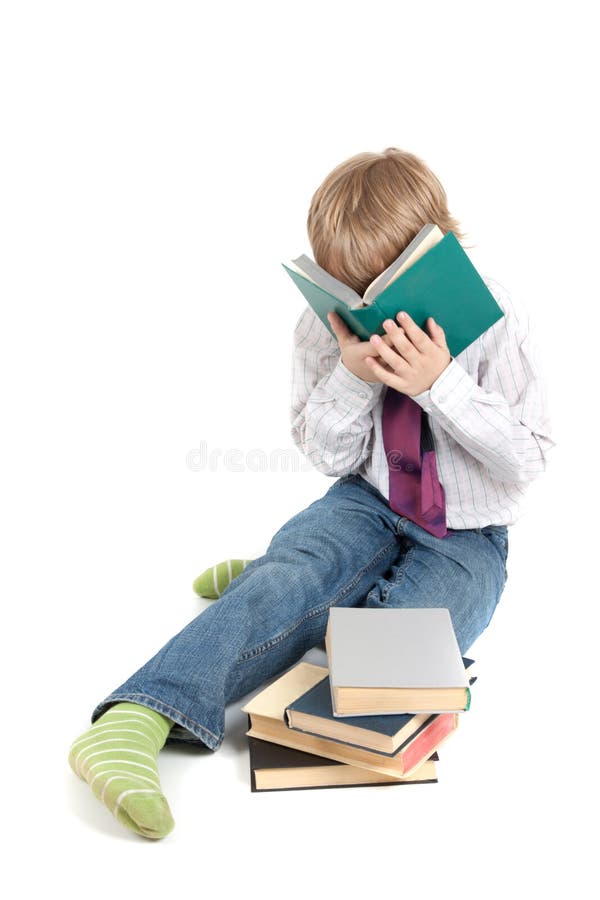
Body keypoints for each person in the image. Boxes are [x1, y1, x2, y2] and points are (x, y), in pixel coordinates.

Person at [68, 147, 555, 840]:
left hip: (468, 537)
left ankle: (280, 580)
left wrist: (439, 385)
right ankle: (139, 714)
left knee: (411, 646)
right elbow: (327, 456)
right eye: (353, 294)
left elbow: (529, 461)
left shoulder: (500, 317)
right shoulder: (327, 328)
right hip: (363, 501)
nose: (372, 314)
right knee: (297, 577)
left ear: (439, 249)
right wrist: (356, 375)